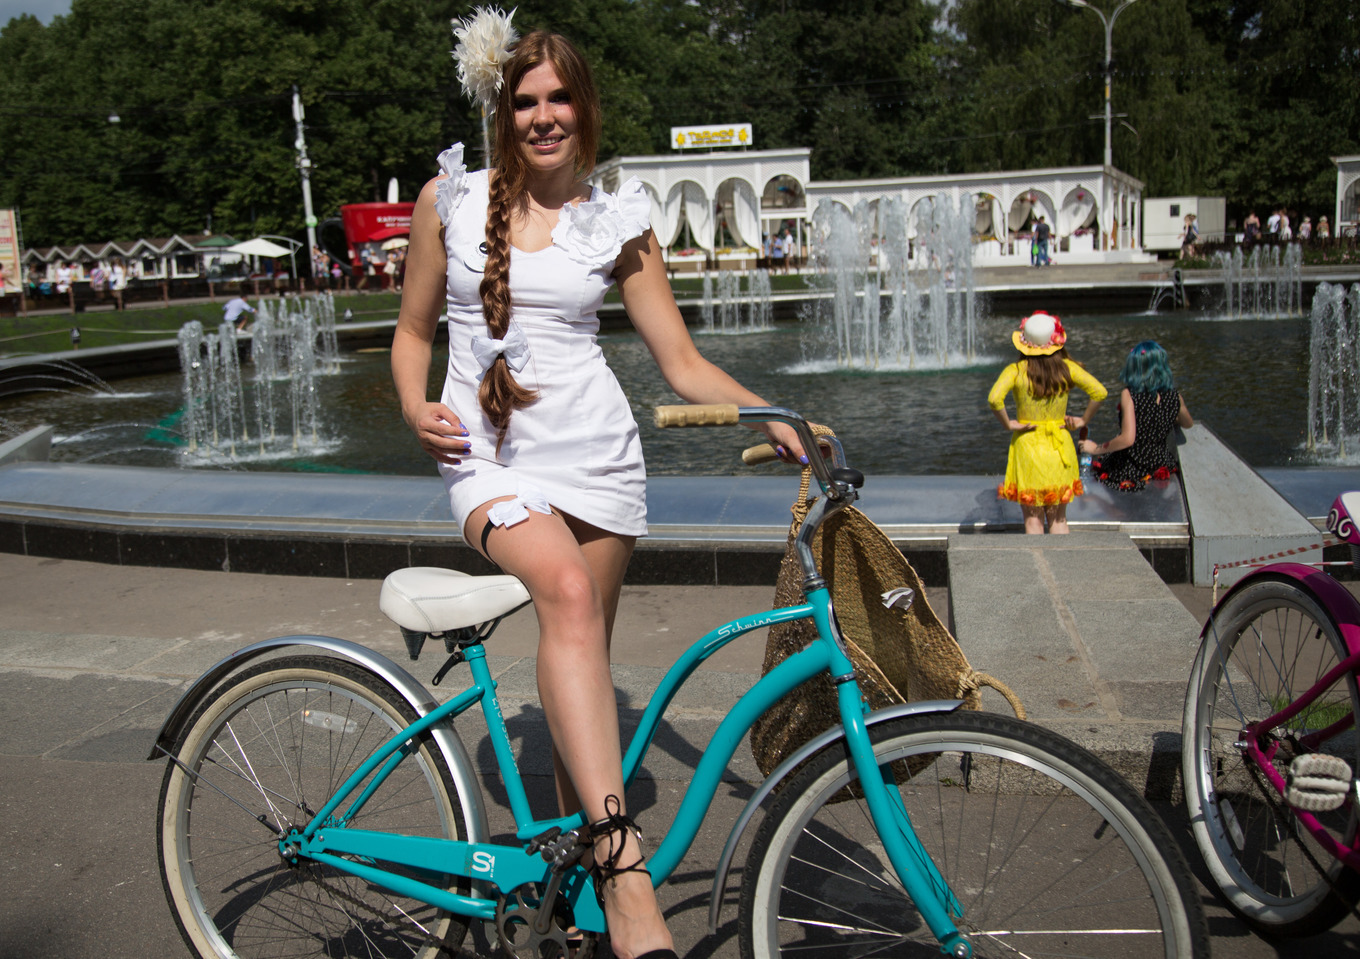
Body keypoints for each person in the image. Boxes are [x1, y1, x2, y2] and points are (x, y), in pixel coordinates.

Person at [389, 12, 808, 959]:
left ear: (585, 108)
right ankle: (626, 881)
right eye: (525, 100)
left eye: (559, 99)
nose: (543, 117)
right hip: (484, 458)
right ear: (506, 108)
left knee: (585, 646)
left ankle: (575, 894)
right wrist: (414, 408)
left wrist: (768, 409)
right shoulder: (449, 200)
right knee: (566, 594)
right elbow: (413, 334)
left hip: (601, 460)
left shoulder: (619, 222)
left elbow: (683, 362)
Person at [988, 311, 1106, 534]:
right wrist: (1082, 420)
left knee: (1033, 521)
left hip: (1028, 447)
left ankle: (1038, 567)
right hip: (1059, 446)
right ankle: (1063, 566)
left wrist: (1009, 424)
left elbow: (994, 399)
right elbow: (1100, 392)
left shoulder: (1015, 371)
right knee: (1059, 520)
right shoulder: (1067, 368)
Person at [1079, 341, 1193, 492]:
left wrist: (1095, 448)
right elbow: (1188, 423)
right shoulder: (1175, 396)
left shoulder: (1130, 395)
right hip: (1161, 465)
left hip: (1133, 467)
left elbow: (1127, 439)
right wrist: (1164, 415)